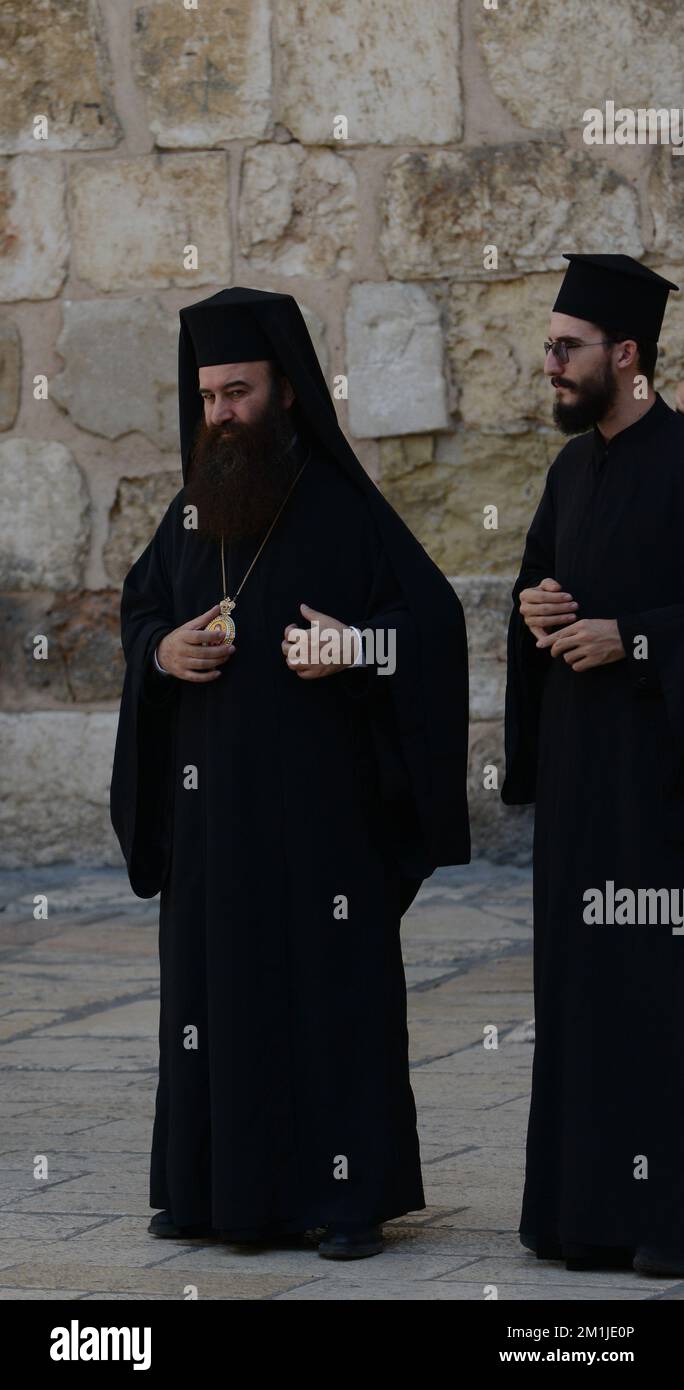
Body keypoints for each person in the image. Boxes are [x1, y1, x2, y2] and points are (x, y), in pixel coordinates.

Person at [110, 286, 470, 1260]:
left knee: (326, 1005)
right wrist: (160, 655)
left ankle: (343, 1200)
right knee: (210, 1012)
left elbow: (431, 631)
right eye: (209, 395)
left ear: (288, 393)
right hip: (212, 830)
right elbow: (141, 613)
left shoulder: (342, 511)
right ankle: (208, 1193)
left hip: (323, 830)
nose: (221, 412)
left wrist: (359, 648)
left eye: (239, 391)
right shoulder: (190, 515)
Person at [502, 254, 684, 1276]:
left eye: (567, 349)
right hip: (581, 792)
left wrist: (638, 639)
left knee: (657, 999)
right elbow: (539, 587)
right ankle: (581, 1215)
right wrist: (533, 613)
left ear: (627, 354)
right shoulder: (569, 471)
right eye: (549, 348)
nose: (551, 366)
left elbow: (647, 628)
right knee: (582, 997)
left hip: (661, 800)